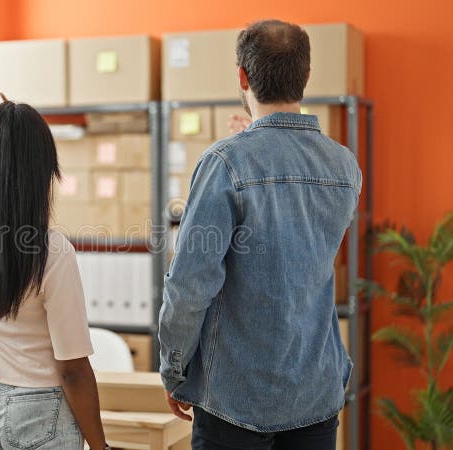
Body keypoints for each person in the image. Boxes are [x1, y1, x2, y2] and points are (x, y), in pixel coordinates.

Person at [158, 19, 362, 450]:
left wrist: (174, 368)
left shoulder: (224, 164)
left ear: (242, 76)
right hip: (315, 391)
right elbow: (295, 249)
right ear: (306, 76)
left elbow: (190, 284)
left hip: (235, 399)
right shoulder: (344, 166)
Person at [0, 99, 110, 450]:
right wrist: (100, 446)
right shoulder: (52, 252)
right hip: (41, 409)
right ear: (39, 173)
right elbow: (73, 370)